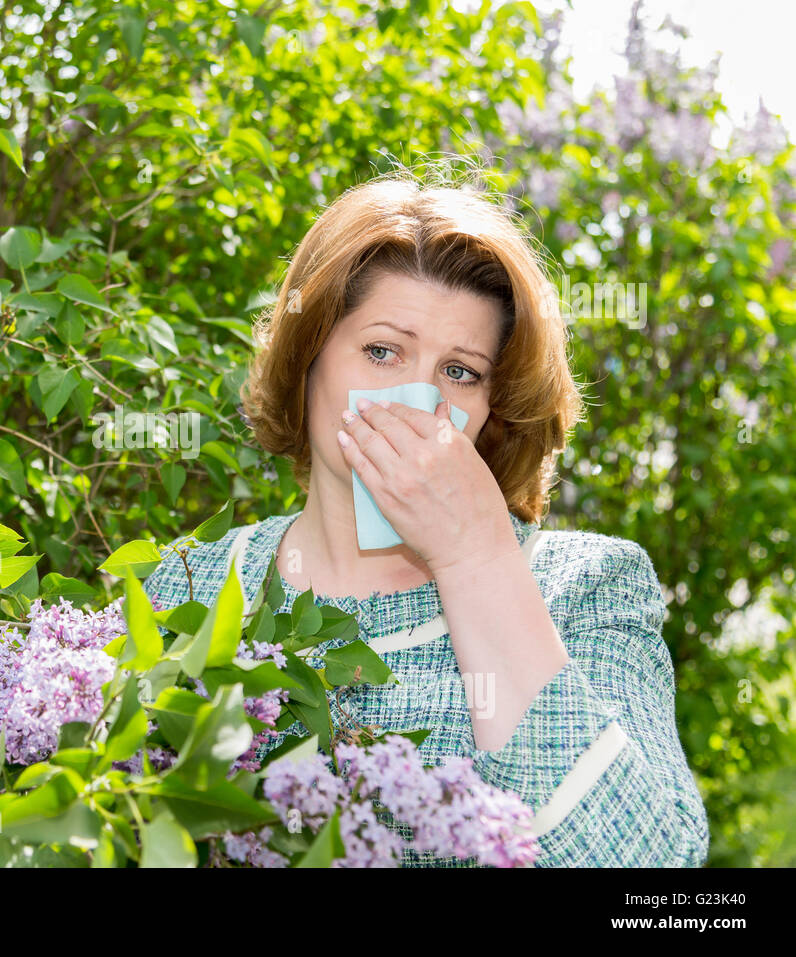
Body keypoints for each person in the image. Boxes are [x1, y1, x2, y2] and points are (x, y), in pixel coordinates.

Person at [143, 172, 710, 867]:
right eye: (382, 351)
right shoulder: (188, 586)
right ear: (308, 360)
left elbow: (655, 870)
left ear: (494, 408)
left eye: (461, 372)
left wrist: (475, 557)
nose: (419, 400)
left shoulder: (585, 587)